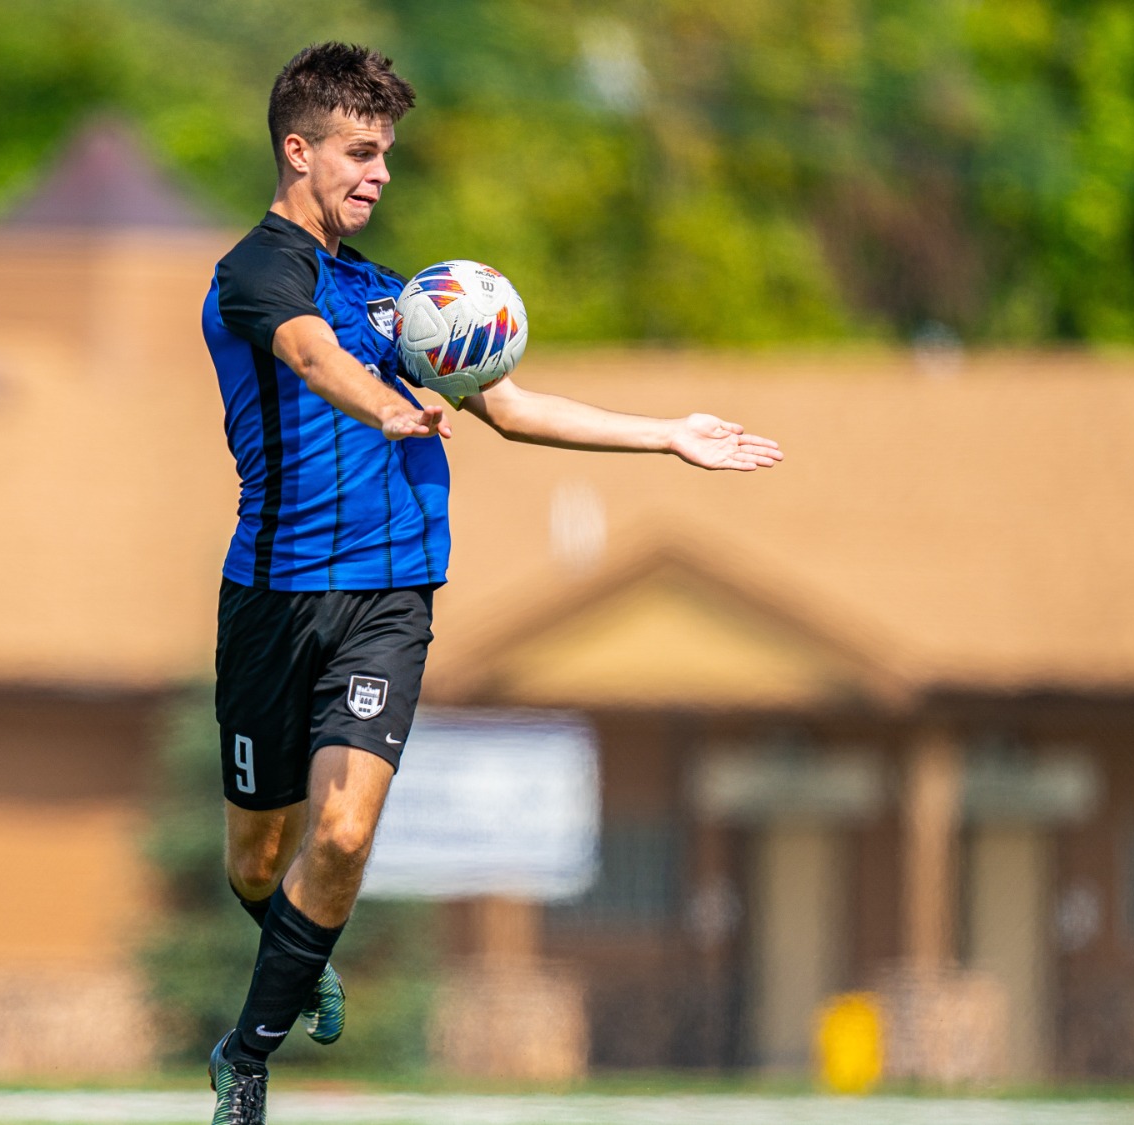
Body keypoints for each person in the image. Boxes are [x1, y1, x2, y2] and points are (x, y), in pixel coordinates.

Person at [200, 41, 783, 1124]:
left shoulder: (399, 299)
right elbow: (304, 354)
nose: (378, 173)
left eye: (386, 154)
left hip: (389, 598)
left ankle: (247, 1053)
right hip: (273, 599)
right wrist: (380, 407)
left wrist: (665, 436)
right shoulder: (258, 273)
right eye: (359, 151)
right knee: (255, 861)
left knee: (341, 834)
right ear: (297, 149)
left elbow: (507, 410)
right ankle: (294, 949)